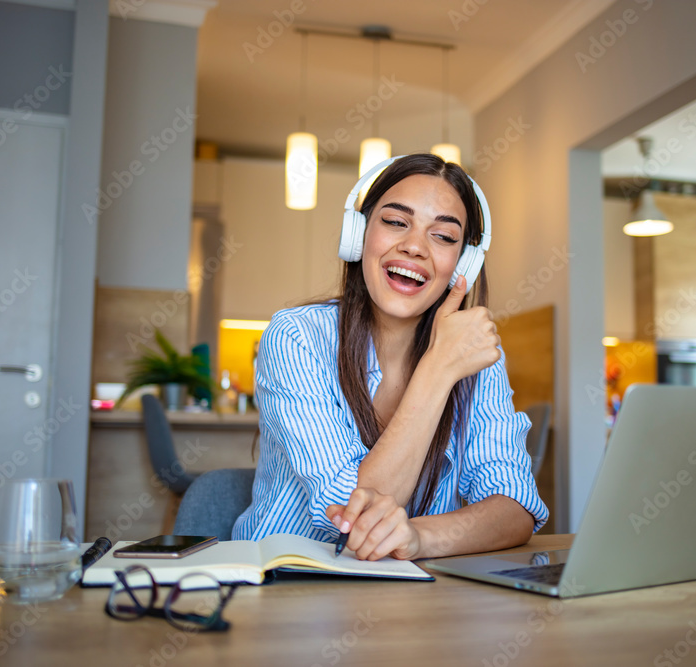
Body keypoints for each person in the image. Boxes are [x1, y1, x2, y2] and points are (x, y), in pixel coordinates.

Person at [233, 153, 548, 560]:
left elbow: (515, 506)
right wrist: (437, 370)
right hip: (284, 589)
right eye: (396, 222)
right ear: (358, 234)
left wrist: (418, 537)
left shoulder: (475, 357)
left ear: (464, 262)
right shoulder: (297, 337)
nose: (415, 246)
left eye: (444, 237)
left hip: (413, 603)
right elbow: (351, 519)